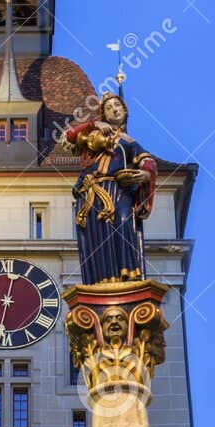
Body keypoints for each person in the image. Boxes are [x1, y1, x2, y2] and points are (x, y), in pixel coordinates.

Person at [62, 92, 157, 284]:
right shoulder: (92, 136)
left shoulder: (128, 143)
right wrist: (93, 124)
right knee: (95, 236)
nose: (114, 109)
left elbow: (148, 161)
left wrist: (145, 174)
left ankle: (127, 273)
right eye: (109, 108)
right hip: (91, 192)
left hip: (117, 189)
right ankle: (100, 279)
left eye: (117, 106)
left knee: (123, 222)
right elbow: (68, 136)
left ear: (124, 111)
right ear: (103, 115)